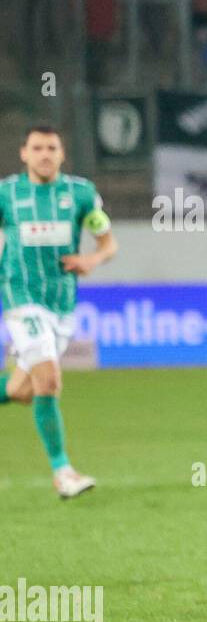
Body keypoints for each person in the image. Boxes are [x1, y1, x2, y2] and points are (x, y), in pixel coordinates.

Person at [0, 126, 117, 498]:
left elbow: (107, 241)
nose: (44, 154)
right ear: (24, 154)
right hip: (22, 299)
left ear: (62, 154)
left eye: (52, 147)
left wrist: (92, 259)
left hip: (62, 304)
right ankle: (62, 472)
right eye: (37, 148)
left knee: (22, 389)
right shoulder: (7, 194)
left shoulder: (80, 194)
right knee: (49, 381)